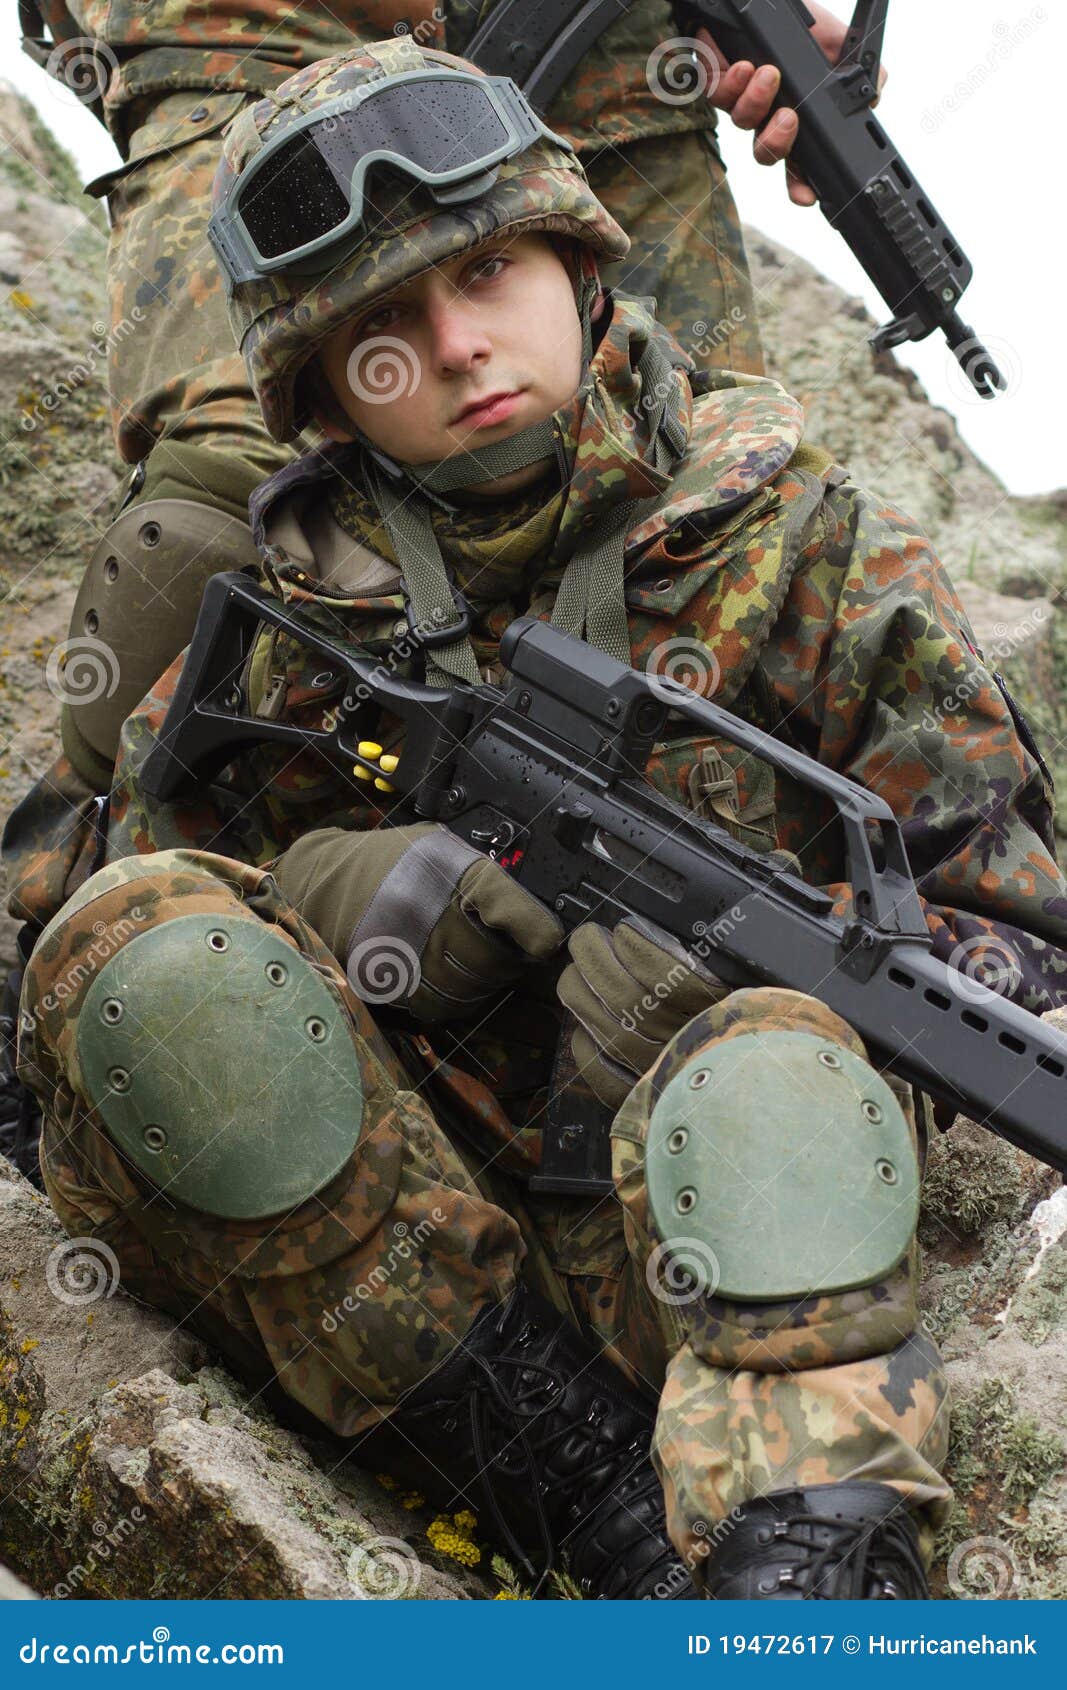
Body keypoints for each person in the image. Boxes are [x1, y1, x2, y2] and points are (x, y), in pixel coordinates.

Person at [14, 35, 1056, 1602]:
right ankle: (579, 1503)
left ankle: (807, 1570)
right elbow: (64, 915)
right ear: (317, 380)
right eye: (381, 327)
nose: (452, 346)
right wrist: (330, 892)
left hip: (726, 1240)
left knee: (766, 1064)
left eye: (489, 270)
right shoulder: (296, 589)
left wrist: (734, 981)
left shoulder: (803, 537)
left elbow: (1021, 944)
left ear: (577, 257)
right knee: (145, 957)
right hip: (407, 1276)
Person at [17, 0, 863, 801]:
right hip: (247, 25)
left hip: (609, 41)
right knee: (217, 518)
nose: (457, 348)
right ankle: (124, 870)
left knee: (720, 494)